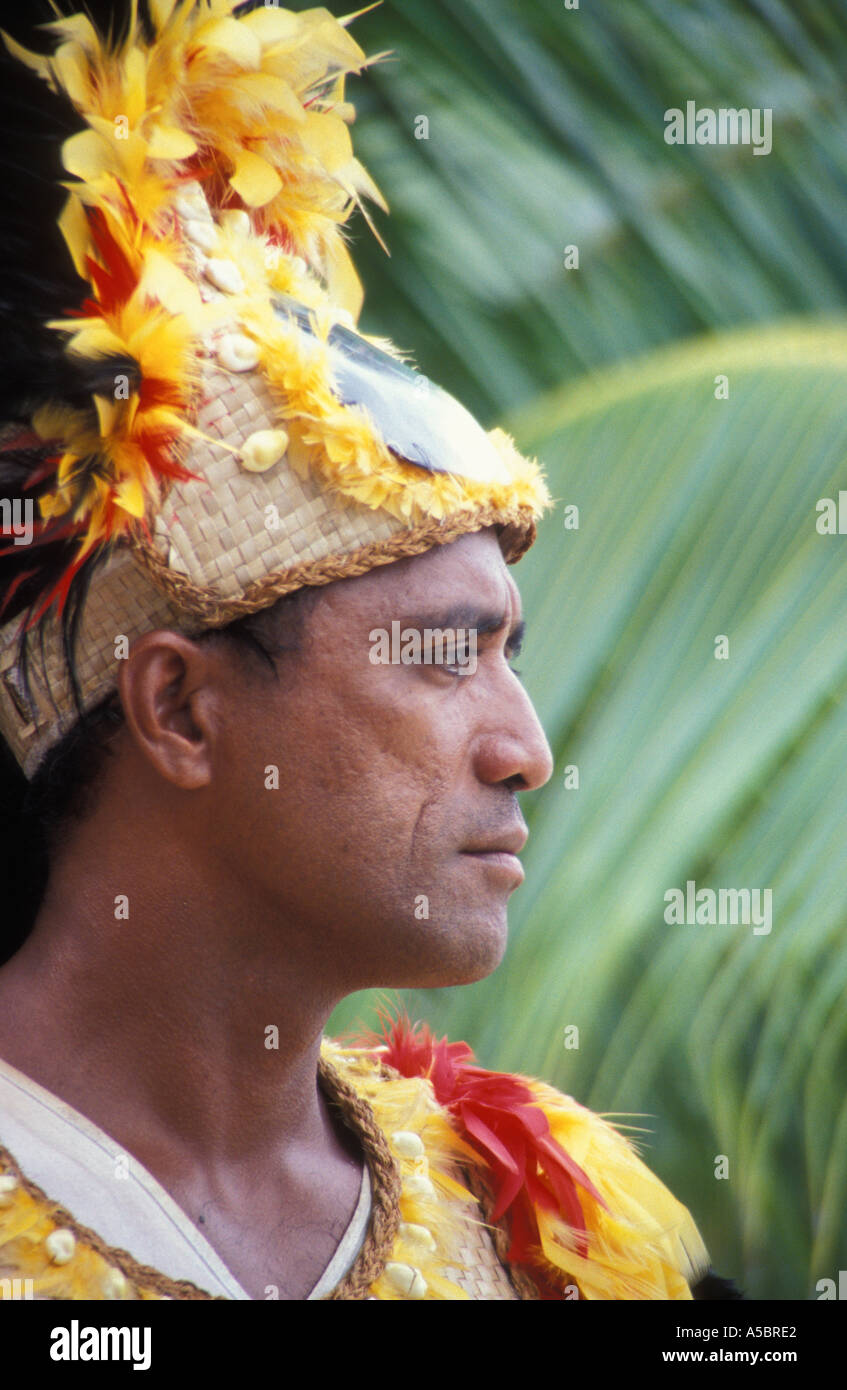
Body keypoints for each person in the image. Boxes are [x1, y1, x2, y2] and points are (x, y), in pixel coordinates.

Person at [0, 0, 740, 1300]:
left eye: (510, 653)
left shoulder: (547, 1227)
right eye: (444, 656)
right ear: (179, 707)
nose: (527, 749)